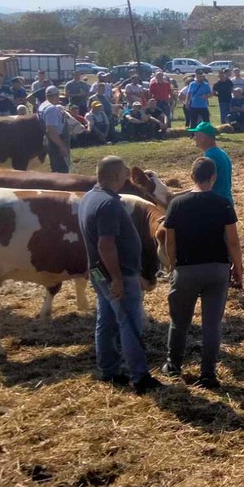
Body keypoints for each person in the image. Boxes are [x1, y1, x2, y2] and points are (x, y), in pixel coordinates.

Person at [161, 156, 242, 389]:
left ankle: (173, 364)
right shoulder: (223, 203)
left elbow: (170, 241)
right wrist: (238, 269)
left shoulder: (176, 204)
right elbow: (233, 242)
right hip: (217, 269)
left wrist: (172, 266)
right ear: (214, 178)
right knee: (212, 324)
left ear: (191, 177)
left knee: (179, 321)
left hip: (186, 269)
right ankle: (208, 373)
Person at [79, 156, 158, 393]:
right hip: (118, 274)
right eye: (124, 172)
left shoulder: (90, 197)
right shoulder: (109, 205)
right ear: (115, 176)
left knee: (106, 320)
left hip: (97, 271)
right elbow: (106, 245)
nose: (127, 175)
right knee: (130, 323)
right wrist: (117, 278)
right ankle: (140, 376)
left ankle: (108, 369)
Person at [38, 86, 72, 173]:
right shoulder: (51, 109)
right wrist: (61, 146)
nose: (58, 99)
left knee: (55, 166)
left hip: (49, 139)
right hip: (57, 139)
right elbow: (51, 129)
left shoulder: (42, 106)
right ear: (54, 96)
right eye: (58, 96)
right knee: (62, 168)